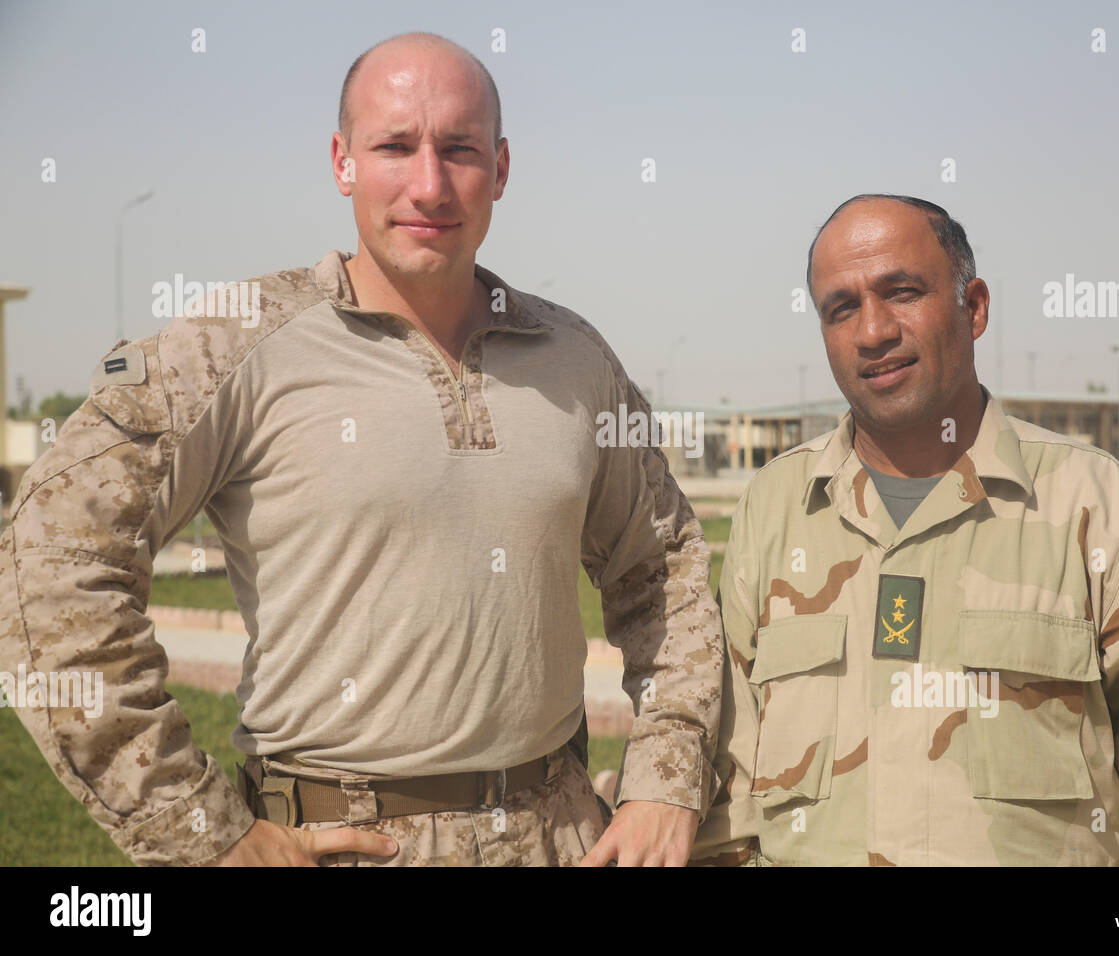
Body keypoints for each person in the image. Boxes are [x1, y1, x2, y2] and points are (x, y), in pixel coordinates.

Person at [0, 32, 721, 867]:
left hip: (560, 836)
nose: (429, 183)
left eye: (459, 149)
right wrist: (197, 828)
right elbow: (43, 569)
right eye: (394, 147)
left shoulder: (574, 360)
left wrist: (667, 773)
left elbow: (663, 569)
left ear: (503, 167)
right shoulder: (236, 345)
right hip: (343, 847)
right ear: (342, 161)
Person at [689, 194, 1119, 866]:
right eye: (841, 308)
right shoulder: (777, 508)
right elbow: (724, 803)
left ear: (975, 307)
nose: (872, 331)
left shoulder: (1088, 501)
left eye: (901, 292)